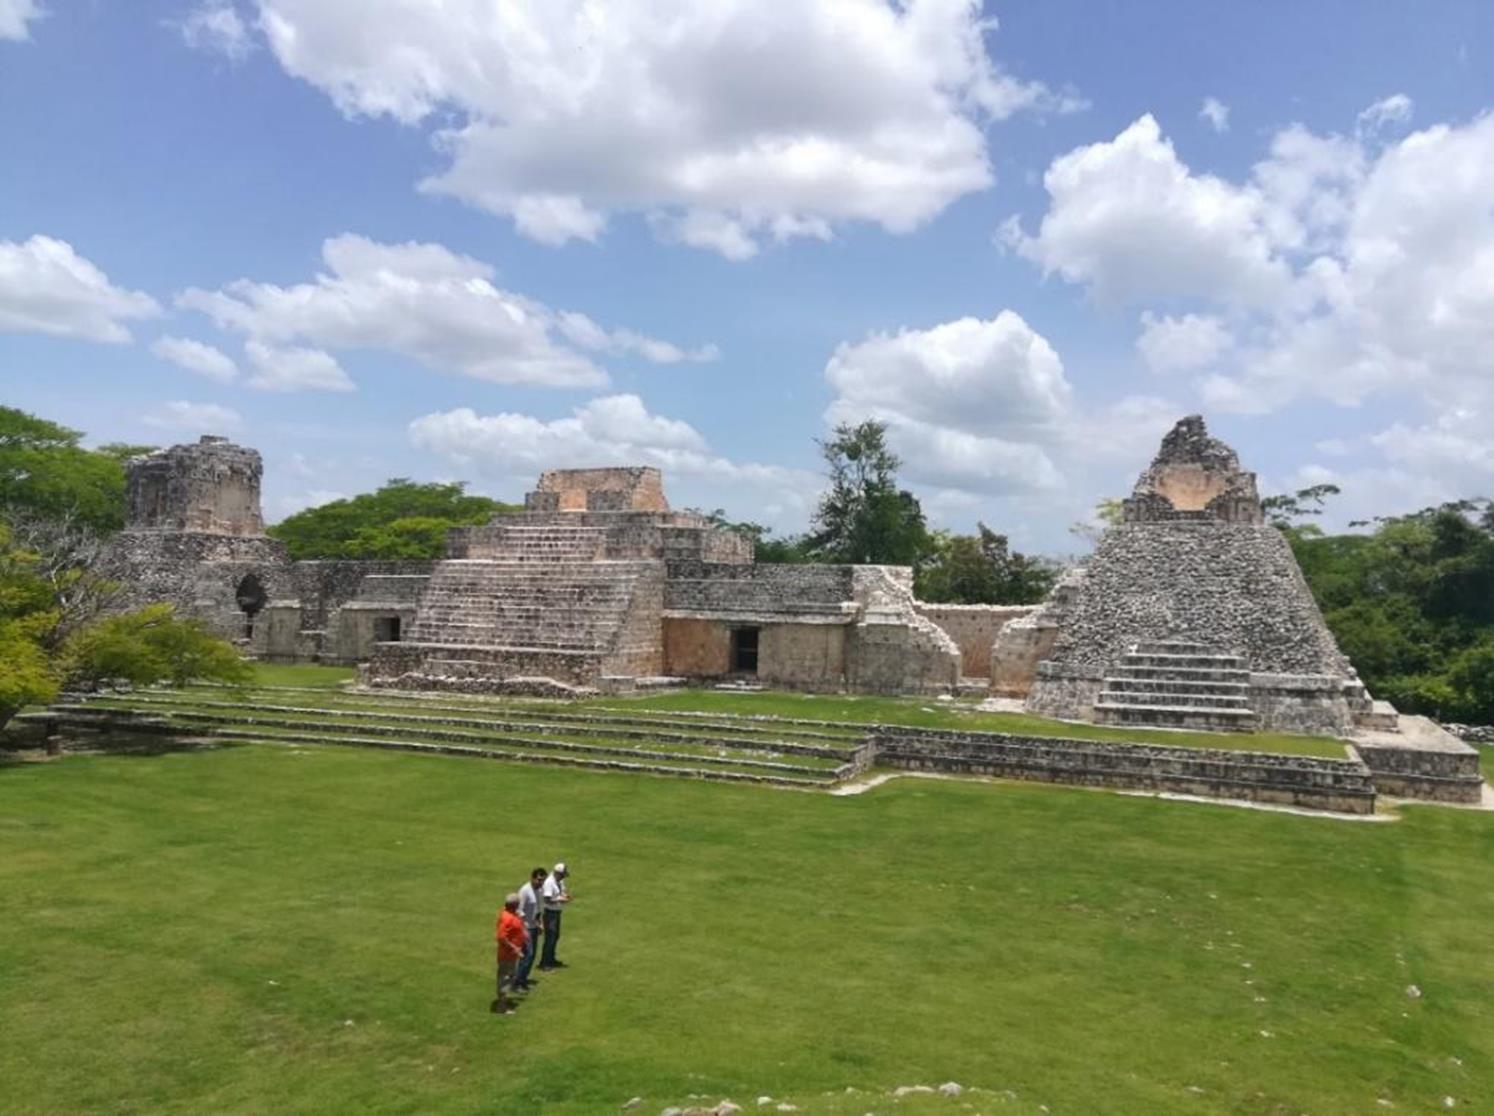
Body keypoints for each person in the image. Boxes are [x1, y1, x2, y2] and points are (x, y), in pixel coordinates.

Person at [492, 892, 528, 1014]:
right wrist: (515, 948)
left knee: (509, 977)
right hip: (507, 956)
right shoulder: (507, 918)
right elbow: (501, 938)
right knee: (505, 979)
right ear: (515, 905)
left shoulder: (510, 912)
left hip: (511, 955)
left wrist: (524, 933)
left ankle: (504, 1002)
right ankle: (501, 1007)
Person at [515, 866, 547, 991]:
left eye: (543, 880)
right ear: (532, 878)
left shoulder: (539, 891)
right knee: (527, 955)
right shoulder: (524, 890)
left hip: (534, 927)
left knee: (531, 956)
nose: (540, 882)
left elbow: (538, 909)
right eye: (538, 880)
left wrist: (540, 923)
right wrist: (524, 927)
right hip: (525, 928)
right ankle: (517, 982)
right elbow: (518, 910)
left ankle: (523, 979)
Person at [538, 861, 572, 970]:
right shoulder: (549, 883)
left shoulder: (559, 881)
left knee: (555, 936)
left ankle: (551, 959)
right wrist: (559, 899)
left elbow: (561, 892)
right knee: (550, 938)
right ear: (557, 873)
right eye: (562, 875)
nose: (563, 877)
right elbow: (547, 900)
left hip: (556, 913)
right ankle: (544, 963)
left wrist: (564, 895)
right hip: (550, 913)